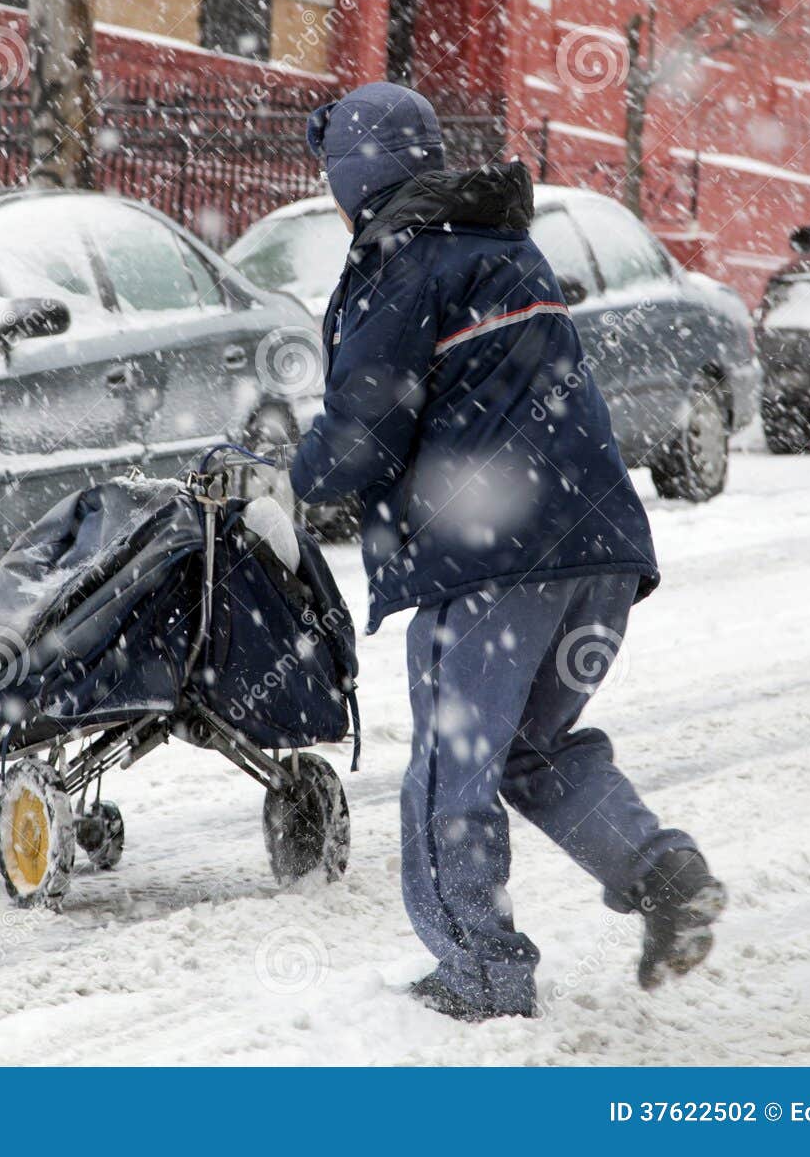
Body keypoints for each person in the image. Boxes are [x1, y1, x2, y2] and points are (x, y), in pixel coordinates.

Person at [288, 82, 725, 1022]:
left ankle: (481, 975)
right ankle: (664, 876)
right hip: (598, 549)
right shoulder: (506, 248)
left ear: (355, 174)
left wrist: (296, 472)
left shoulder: (399, 267)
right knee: (534, 748)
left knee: (456, 763)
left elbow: (362, 435)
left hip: (491, 555)